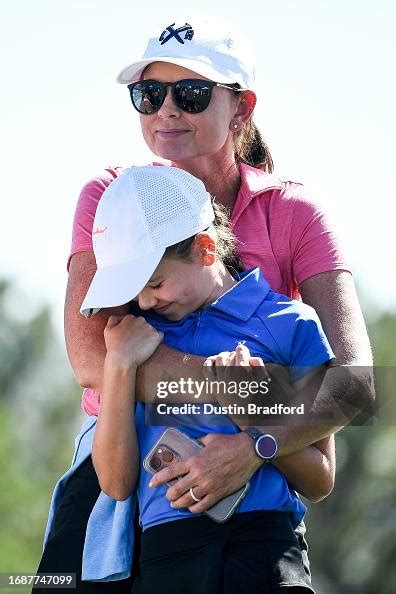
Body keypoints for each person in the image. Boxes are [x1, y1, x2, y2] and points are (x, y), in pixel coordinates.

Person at [34, 13, 373, 594]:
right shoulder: (109, 196)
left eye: (190, 93)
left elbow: (356, 384)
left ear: (242, 107)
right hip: (119, 475)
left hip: (256, 489)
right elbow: (92, 359)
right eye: (149, 93)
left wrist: (252, 444)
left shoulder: (296, 213)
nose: (166, 110)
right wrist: (243, 389)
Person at [45, 165, 336, 594]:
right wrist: (120, 366)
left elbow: (320, 479)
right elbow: (117, 483)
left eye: (155, 283)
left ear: (204, 249)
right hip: (167, 556)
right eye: (133, 292)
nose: (144, 302)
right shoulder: (143, 340)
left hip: (270, 553)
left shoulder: (291, 324)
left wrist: (250, 419)